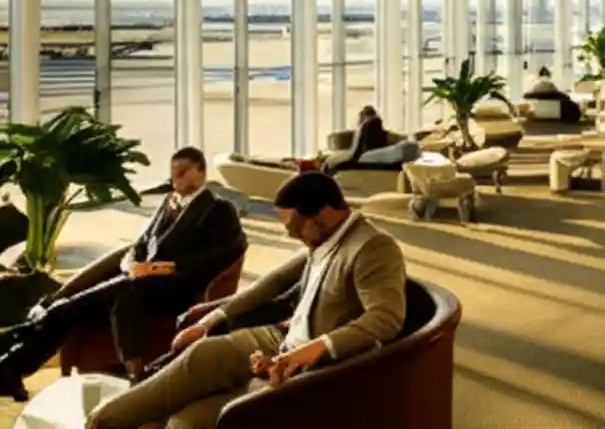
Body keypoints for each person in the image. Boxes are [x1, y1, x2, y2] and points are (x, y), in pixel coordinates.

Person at [87, 171, 407, 429]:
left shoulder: (372, 248)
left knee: (185, 422)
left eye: (295, 228)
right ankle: (105, 421)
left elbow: (386, 317)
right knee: (202, 354)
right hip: (276, 340)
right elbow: (274, 282)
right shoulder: (323, 238)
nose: (291, 236)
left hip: (306, 368)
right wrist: (211, 319)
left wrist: (311, 350)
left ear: (321, 215)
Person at [0, 147, 247, 398]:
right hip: (139, 282)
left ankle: (134, 374)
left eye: (183, 172)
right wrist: (132, 262)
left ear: (201, 171)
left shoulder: (218, 209)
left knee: (117, 297)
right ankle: (12, 367)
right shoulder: (168, 203)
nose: (176, 179)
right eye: (174, 173)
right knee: (67, 309)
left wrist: (163, 267)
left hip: (178, 289)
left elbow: (227, 251)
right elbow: (141, 243)